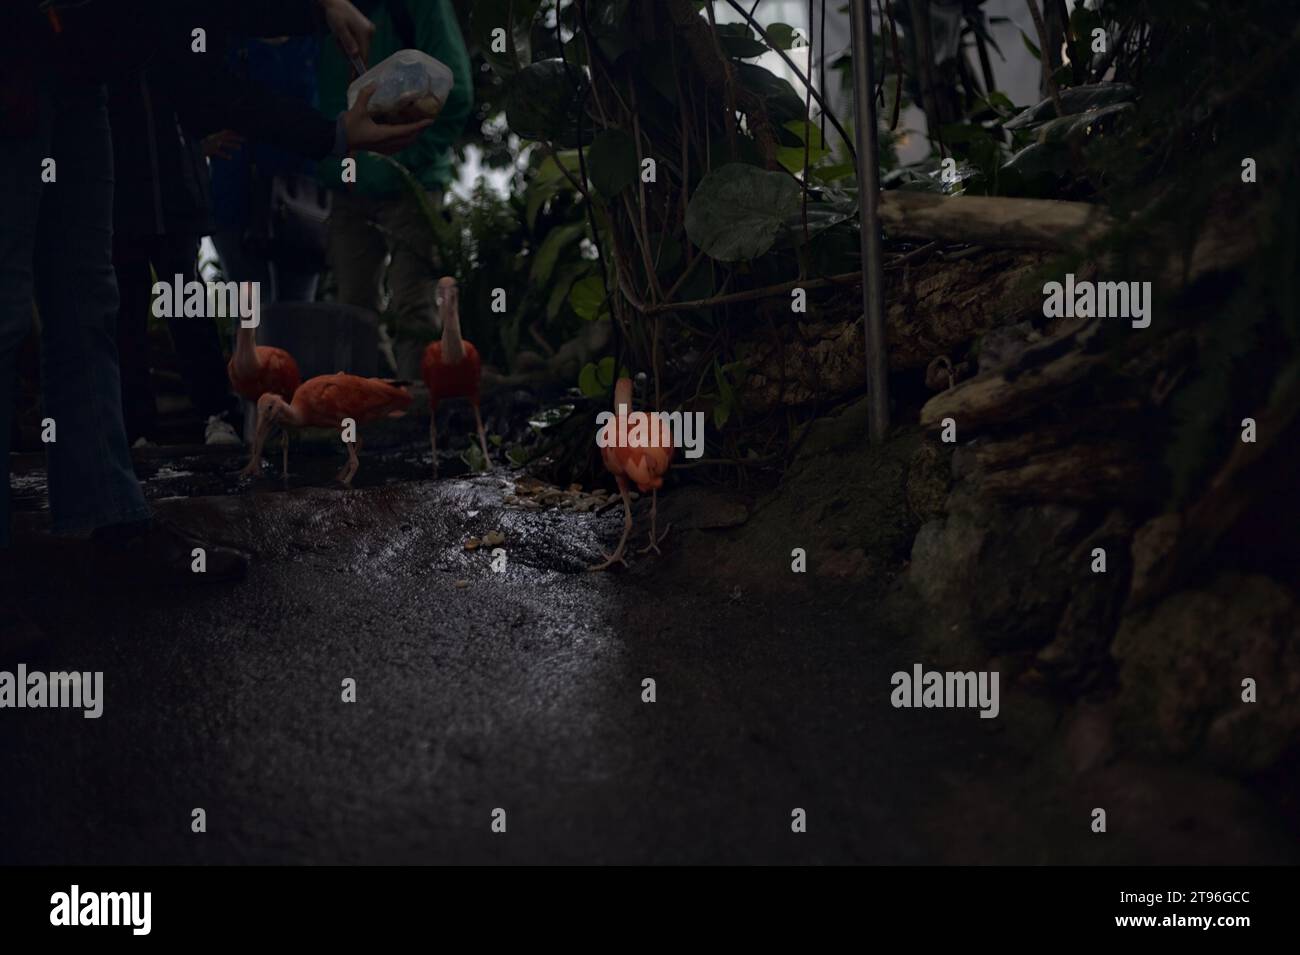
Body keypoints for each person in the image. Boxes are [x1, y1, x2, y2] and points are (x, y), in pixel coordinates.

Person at [0, 0, 435, 648]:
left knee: (88, 298)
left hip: (76, 79)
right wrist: (335, 130)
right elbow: (190, 62)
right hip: (13, 56)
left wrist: (319, 14)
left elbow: (188, 46)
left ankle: (113, 520)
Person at [316, 0, 472, 374]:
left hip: (411, 185)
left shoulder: (420, 7)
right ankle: (376, 406)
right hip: (348, 186)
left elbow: (457, 91)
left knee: (413, 302)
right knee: (354, 308)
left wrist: (403, 159)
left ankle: (420, 410)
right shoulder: (319, 11)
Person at [108, 70, 245, 447]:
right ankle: (137, 426)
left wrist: (195, 142)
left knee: (187, 310)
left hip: (174, 200)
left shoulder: (172, 30)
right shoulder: (104, 35)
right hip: (123, 203)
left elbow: (202, 94)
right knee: (129, 316)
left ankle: (218, 414)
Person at [209, 36, 329, 305]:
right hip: (236, 196)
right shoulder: (225, 37)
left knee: (296, 314)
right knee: (251, 317)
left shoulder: (316, 38)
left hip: (302, 202)